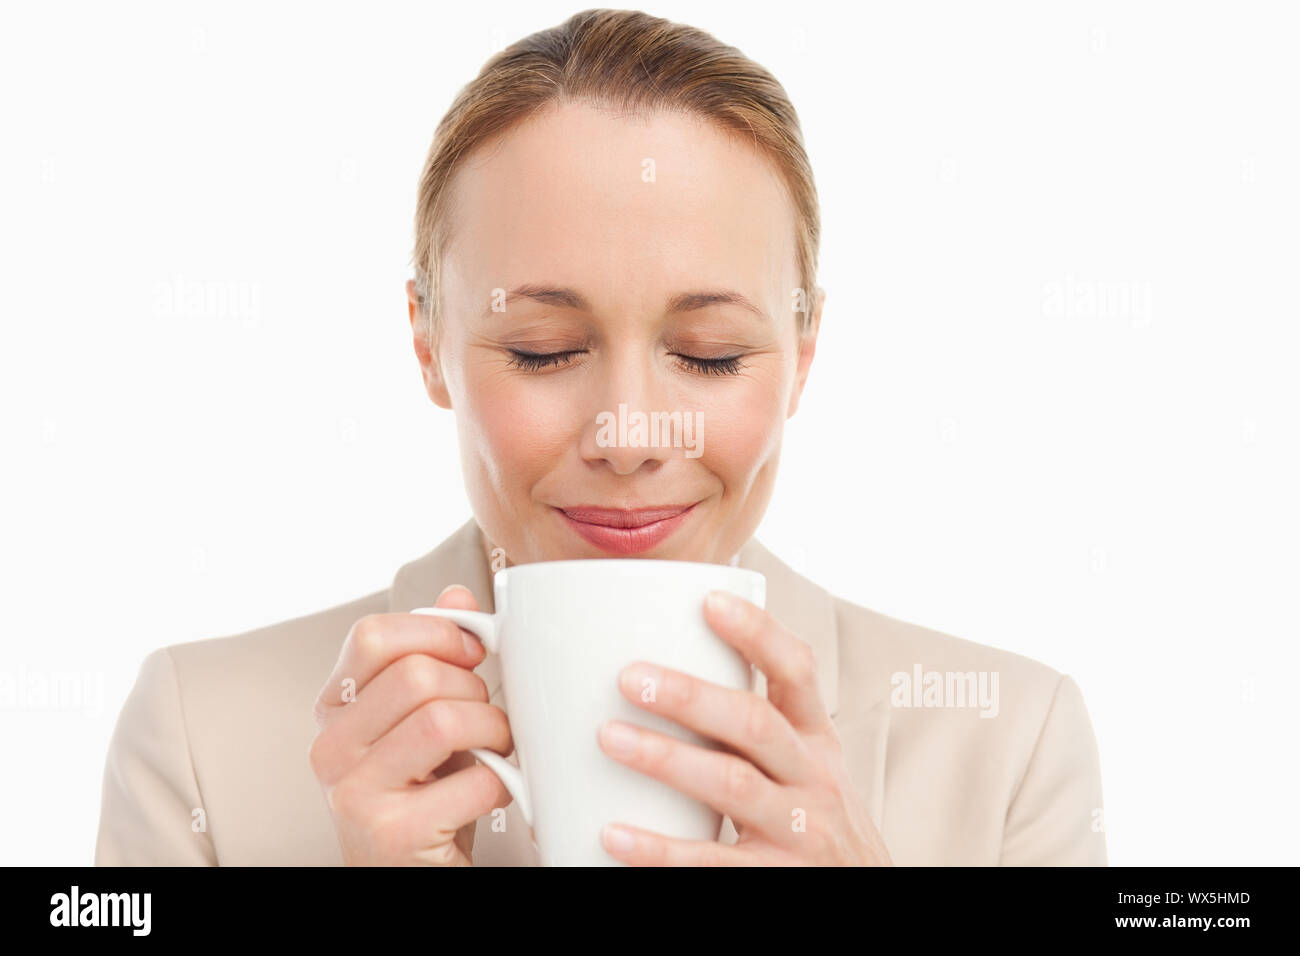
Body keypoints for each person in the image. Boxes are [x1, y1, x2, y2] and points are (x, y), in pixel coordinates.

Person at [95, 8, 1106, 866]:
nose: (628, 432)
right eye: (542, 349)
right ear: (426, 342)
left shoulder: (1008, 748)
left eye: (709, 354)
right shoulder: (199, 740)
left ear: (802, 352)